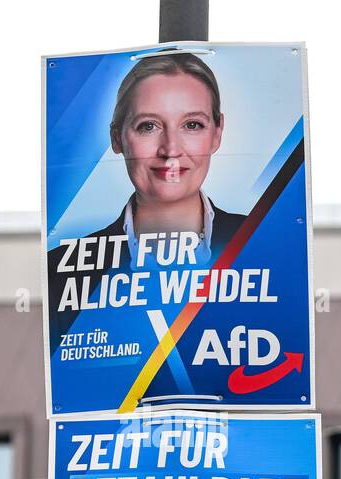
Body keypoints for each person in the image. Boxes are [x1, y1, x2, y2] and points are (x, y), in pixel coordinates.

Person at [48, 52, 245, 349]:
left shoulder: (263, 246)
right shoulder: (61, 271)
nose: (170, 149)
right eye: (148, 126)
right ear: (117, 138)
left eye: (192, 125)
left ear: (217, 133)